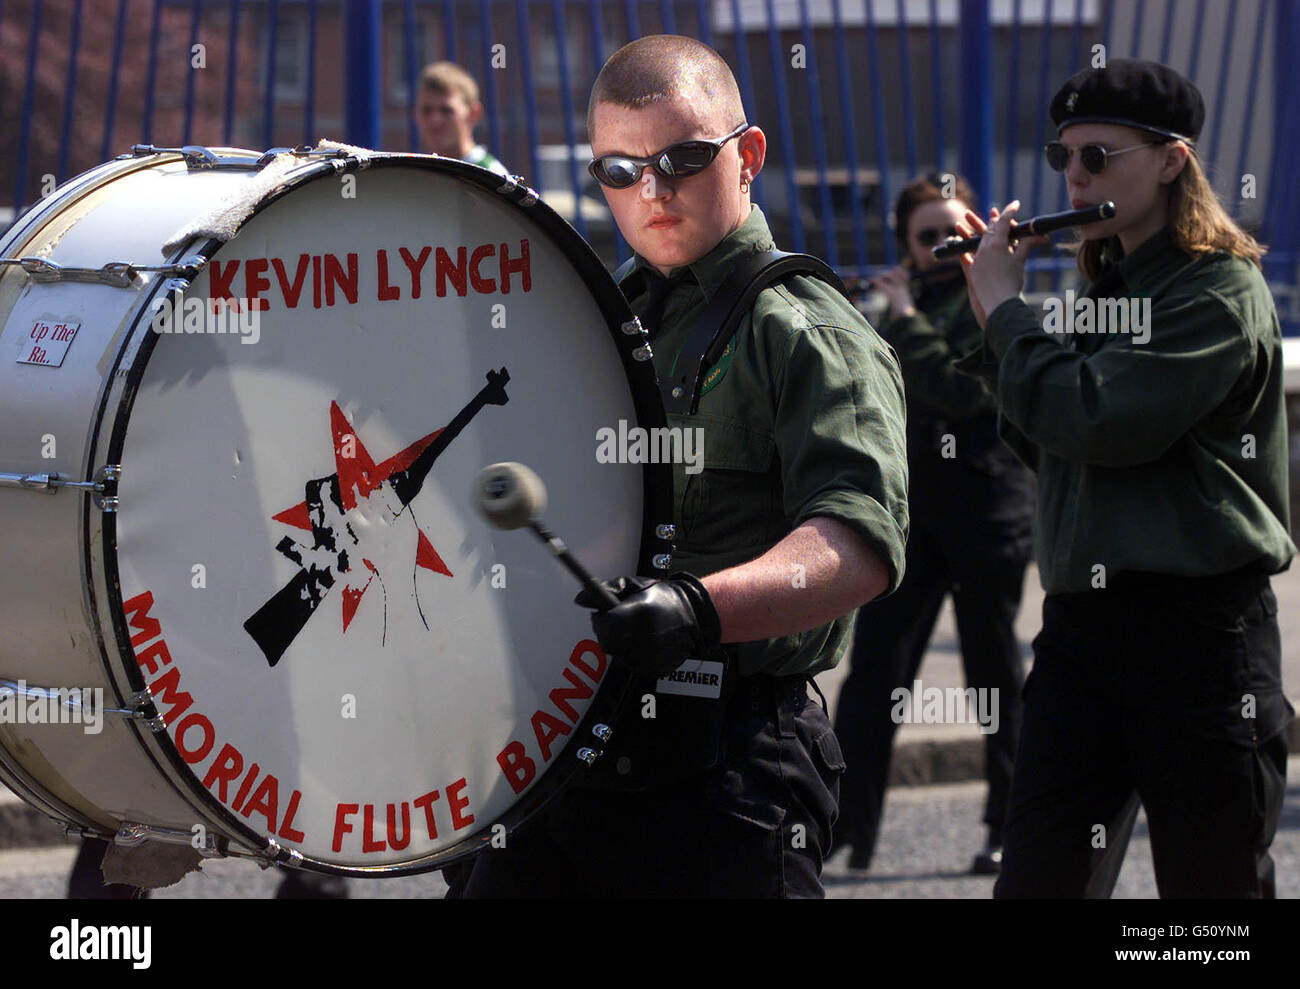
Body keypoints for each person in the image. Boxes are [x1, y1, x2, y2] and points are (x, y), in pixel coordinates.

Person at [444, 34, 908, 898]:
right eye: (618, 171)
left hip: (729, 764)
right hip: (567, 745)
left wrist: (697, 607)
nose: (650, 190)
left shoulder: (807, 332)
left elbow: (857, 544)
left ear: (749, 155)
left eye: (682, 159)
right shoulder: (593, 319)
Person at [953, 59, 1295, 898]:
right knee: (1039, 881)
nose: (1074, 175)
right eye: (1063, 157)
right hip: (1083, 636)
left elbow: (1099, 423)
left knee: (1210, 913)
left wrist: (1006, 314)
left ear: (1172, 160)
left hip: (1197, 638)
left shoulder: (1215, 289)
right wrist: (998, 317)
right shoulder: (1107, 291)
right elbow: (1056, 446)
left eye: (1098, 157)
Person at [832, 173, 1034, 875]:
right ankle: (842, 825)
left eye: (958, 234)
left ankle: (1008, 827)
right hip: (913, 516)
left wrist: (906, 313)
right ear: (906, 245)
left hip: (987, 509)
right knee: (873, 673)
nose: (947, 247)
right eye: (929, 237)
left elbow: (956, 387)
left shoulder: (992, 299)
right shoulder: (891, 307)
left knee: (993, 674)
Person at [414, 61, 509, 177]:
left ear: (474, 114)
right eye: (426, 110)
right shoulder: (420, 174)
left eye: (446, 110)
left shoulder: (492, 177)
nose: (435, 120)